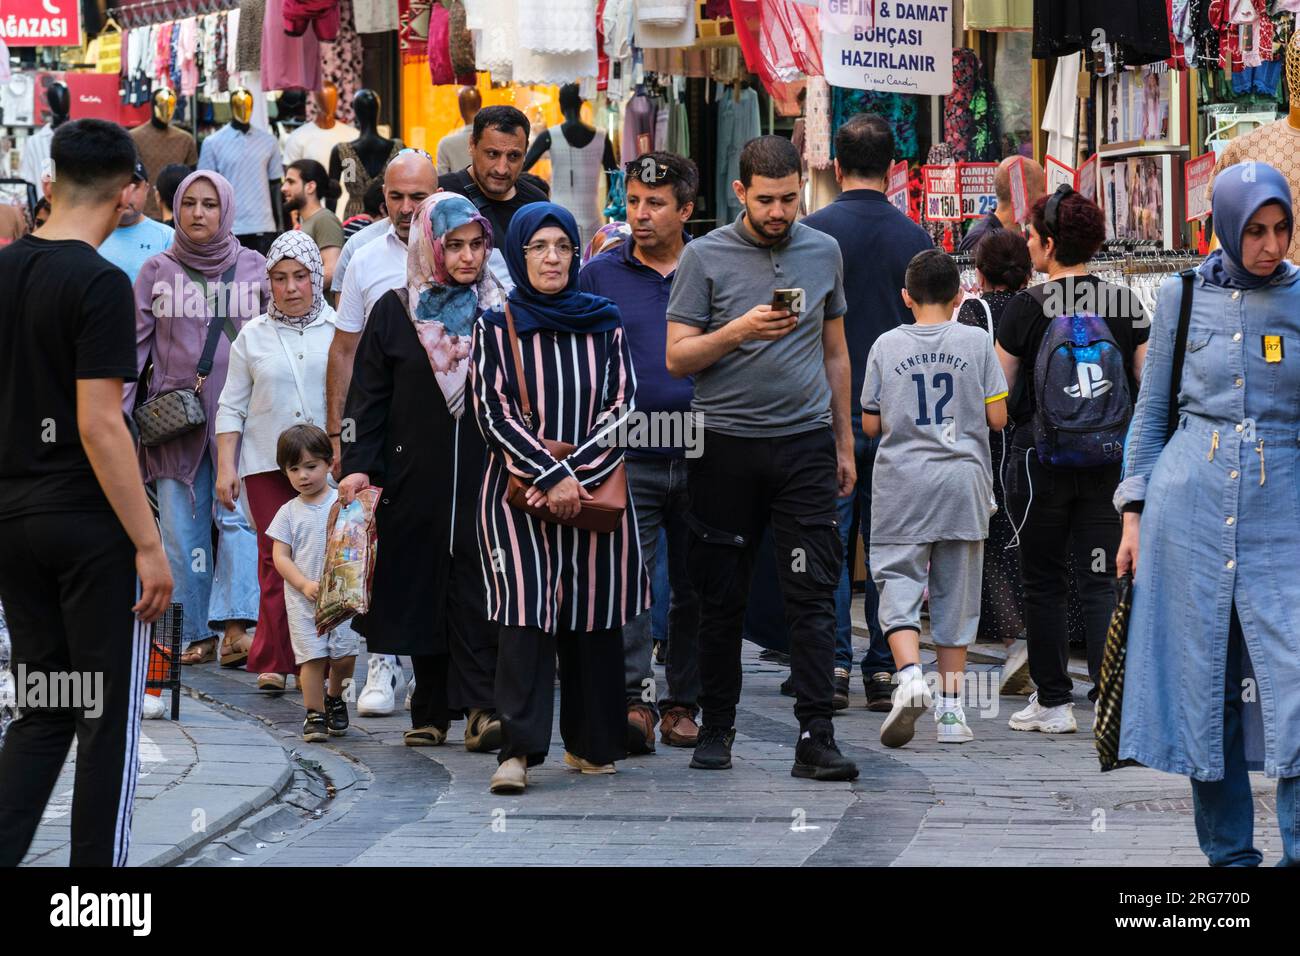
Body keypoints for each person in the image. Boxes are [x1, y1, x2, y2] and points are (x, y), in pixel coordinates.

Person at [1115, 162, 1299, 867]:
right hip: (1186, 509)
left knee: (1295, 682)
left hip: (1284, 506)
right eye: (1254, 230)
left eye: (1281, 228)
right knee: (1204, 687)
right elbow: (1152, 413)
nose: (1270, 245)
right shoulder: (1182, 296)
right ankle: (1230, 859)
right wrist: (1132, 517)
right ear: (1224, 227)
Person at [0, 118, 172, 867]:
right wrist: (149, 544)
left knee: (45, 710)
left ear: (50, 183)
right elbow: (101, 424)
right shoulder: (101, 281)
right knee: (107, 721)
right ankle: (97, 900)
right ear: (129, 189)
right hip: (87, 528)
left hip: (13, 520)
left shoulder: (5, 269)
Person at [664, 135, 858, 781]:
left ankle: (816, 734)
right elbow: (678, 356)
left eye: (789, 199)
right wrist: (737, 330)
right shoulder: (705, 256)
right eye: (766, 200)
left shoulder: (822, 250)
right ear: (740, 192)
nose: (779, 212)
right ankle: (716, 728)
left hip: (803, 444)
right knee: (721, 596)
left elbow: (835, 351)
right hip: (724, 446)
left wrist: (843, 440)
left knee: (812, 592)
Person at [470, 202, 646, 794]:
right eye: (538, 247)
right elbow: (491, 412)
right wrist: (551, 477)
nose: (552, 258)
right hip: (520, 502)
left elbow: (623, 410)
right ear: (520, 256)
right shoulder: (497, 324)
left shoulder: (606, 319)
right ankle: (518, 752)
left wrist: (577, 477)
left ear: (577, 254)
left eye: (563, 247)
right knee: (527, 614)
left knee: (593, 614)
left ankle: (593, 744)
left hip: (591, 494)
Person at [339, 191, 506, 750]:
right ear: (429, 247)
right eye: (453, 245)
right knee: (422, 588)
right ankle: (430, 709)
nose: (466, 257)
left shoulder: (499, 309)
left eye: (475, 244)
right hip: (413, 478)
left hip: (486, 474)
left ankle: (482, 706)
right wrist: (359, 466)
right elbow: (366, 400)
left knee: (479, 587)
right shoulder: (395, 309)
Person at [995, 187, 1148, 733]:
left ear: (1051, 243)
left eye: (1033, 236)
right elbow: (1145, 388)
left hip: (1042, 465)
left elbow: (1000, 392)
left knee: (1043, 580)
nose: (1029, 244)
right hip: (1109, 463)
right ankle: (1113, 696)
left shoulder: (1025, 307)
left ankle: (1054, 703)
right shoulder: (1126, 303)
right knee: (1102, 579)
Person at [802, 113, 934, 713]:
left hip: (827, 415)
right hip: (900, 420)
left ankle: (831, 665)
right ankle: (886, 667)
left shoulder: (811, 234)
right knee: (891, 548)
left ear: (835, 165)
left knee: (828, 547)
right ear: (893, 167)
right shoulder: (917, 239)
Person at [580, 152, 702, 753]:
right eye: (632, 203)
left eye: (655, 204)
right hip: (632, 451)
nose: (641, 215)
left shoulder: (712, 270)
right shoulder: (600, 274)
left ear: (686, 208)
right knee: (630, 579)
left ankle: (685, 700)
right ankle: (636, 699)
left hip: (705, 448)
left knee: (695, 584)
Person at [862, 249, 1008, 747]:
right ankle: (951, 715)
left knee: (897, 584)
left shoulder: (885, 345)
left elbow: (870, 423)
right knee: (957, 600)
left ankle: (907, 677)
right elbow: (997, 419)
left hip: (902, 485)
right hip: (963, 486)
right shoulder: (976, 341)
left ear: (906, 297)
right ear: (959, 295)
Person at [126, 171, 267, 670]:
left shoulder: (254, 267)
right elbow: (133, 353)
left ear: (226, 209)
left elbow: (275, 337)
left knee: (238, 521)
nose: (199, 213)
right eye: (190, 204)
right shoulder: (156, 271)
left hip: (243, 419)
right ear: (176, 208)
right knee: (181, 534)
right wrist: (120, 417)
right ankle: (190, 631)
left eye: (210, 204)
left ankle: (236, 627)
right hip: (175, 423)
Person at [327, 149, 437, 716]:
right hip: (379, 431)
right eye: (395, 196)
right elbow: (344, 352)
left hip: (441, 434)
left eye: (417, 196)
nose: (405, 207)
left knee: (434, 553)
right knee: (382, 550)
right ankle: (382, 665)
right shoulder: (365, 257)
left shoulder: (464, 250)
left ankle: (430, 674)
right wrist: (338, 435)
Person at [215, 231, 336, 690]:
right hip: (267, 463)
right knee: (274, 557)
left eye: (300, 276)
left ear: (315, 278)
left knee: (324, 559)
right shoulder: (253, 334)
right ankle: (273, 659)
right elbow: (231, 405)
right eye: (280, 278)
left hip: (325, 463)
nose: (290, 288)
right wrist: (227, 467)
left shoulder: (340, 328)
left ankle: (320, 660)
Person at [955, 229, 1033, 688]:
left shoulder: (975, 310)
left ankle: (1014, 640)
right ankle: (1037, 638)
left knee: (990, 546)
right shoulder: (1038, 305)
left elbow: (966, 379)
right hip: (1034, 443)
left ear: (980, 272)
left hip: (991, 443)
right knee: (1028, 543)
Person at [267, 425, 358, 743]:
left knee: (344, 657)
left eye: (311, 466)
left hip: (342, 596)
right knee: (312, 658)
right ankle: (314, 713)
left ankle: (336, 697)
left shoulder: (343, 502)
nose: (303, 476)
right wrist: (303, 584)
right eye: (294, 469)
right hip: (303, 599)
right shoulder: (287, 513)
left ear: (330, 463)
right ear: (285, 472)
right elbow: (280, 556)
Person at [437, 105, 548, 269]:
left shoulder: (537, 204)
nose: (502, 168)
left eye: (513, 156)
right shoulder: (441, 194)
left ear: (525, 153)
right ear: (472, 145)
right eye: (492, 154)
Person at [98, 159, 175, 284]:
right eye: (119, 185)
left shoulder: (166, 237)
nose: (126, 194)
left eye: (134, 186)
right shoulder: (90, 234)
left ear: (146, 189)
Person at [958, 156, 1046, 254]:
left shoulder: (1025, 236)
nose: (1047, 196)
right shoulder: (982, 240)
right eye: (1042, 189)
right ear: (1022, 193)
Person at [282, 159, 344, 287]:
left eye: (291, 182)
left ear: (310, 187)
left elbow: (331, 271)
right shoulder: (310, 221)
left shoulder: (325, 219)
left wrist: (296, 290)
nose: (284, 188)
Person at [436, 86, 482, 176]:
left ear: (460, 108)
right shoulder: (493, 138)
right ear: (480, 105)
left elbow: (442, 179)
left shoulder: (445, 143)